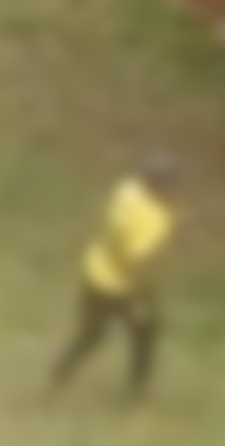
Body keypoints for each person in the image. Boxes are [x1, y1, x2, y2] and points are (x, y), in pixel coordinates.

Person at [48, 154, 181, 403]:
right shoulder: (158, 218)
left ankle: (58, 373)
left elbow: (113, 232)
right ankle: (137, 392)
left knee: (91, 334)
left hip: (93, 270)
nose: (174, 188)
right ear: (161, 184)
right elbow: (134, 260)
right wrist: (137, 296)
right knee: (145, 329)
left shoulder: (127, 190)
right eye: (171, 182)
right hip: (119, 284)